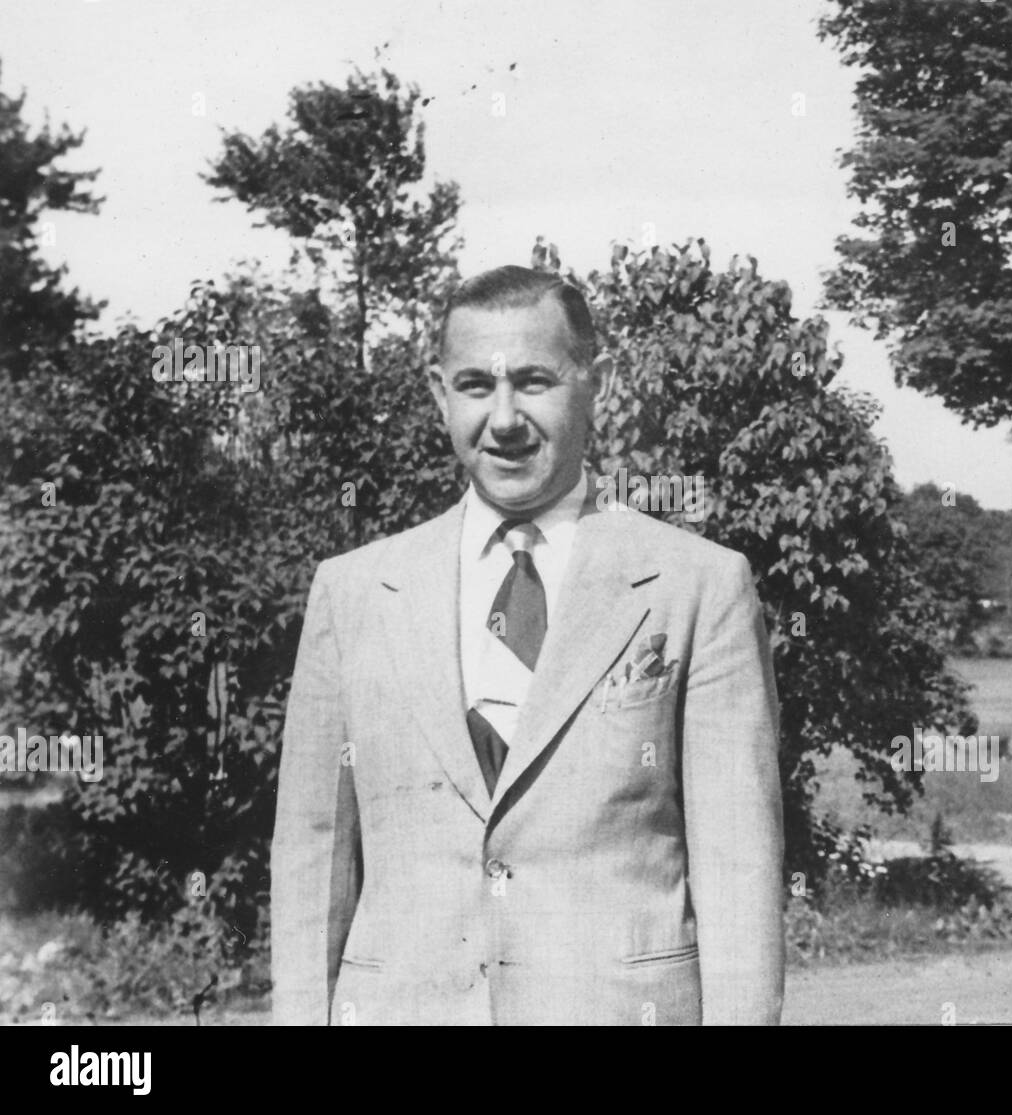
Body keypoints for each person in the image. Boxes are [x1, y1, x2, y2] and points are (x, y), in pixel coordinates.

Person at [270, 265, 784, 1025]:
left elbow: (740, 871)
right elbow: (313, 857)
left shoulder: (697, 586)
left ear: (594, 381)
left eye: (535, 381)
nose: (504, 418)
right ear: (439, 393)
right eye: (476, 384)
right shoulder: (353, 593)